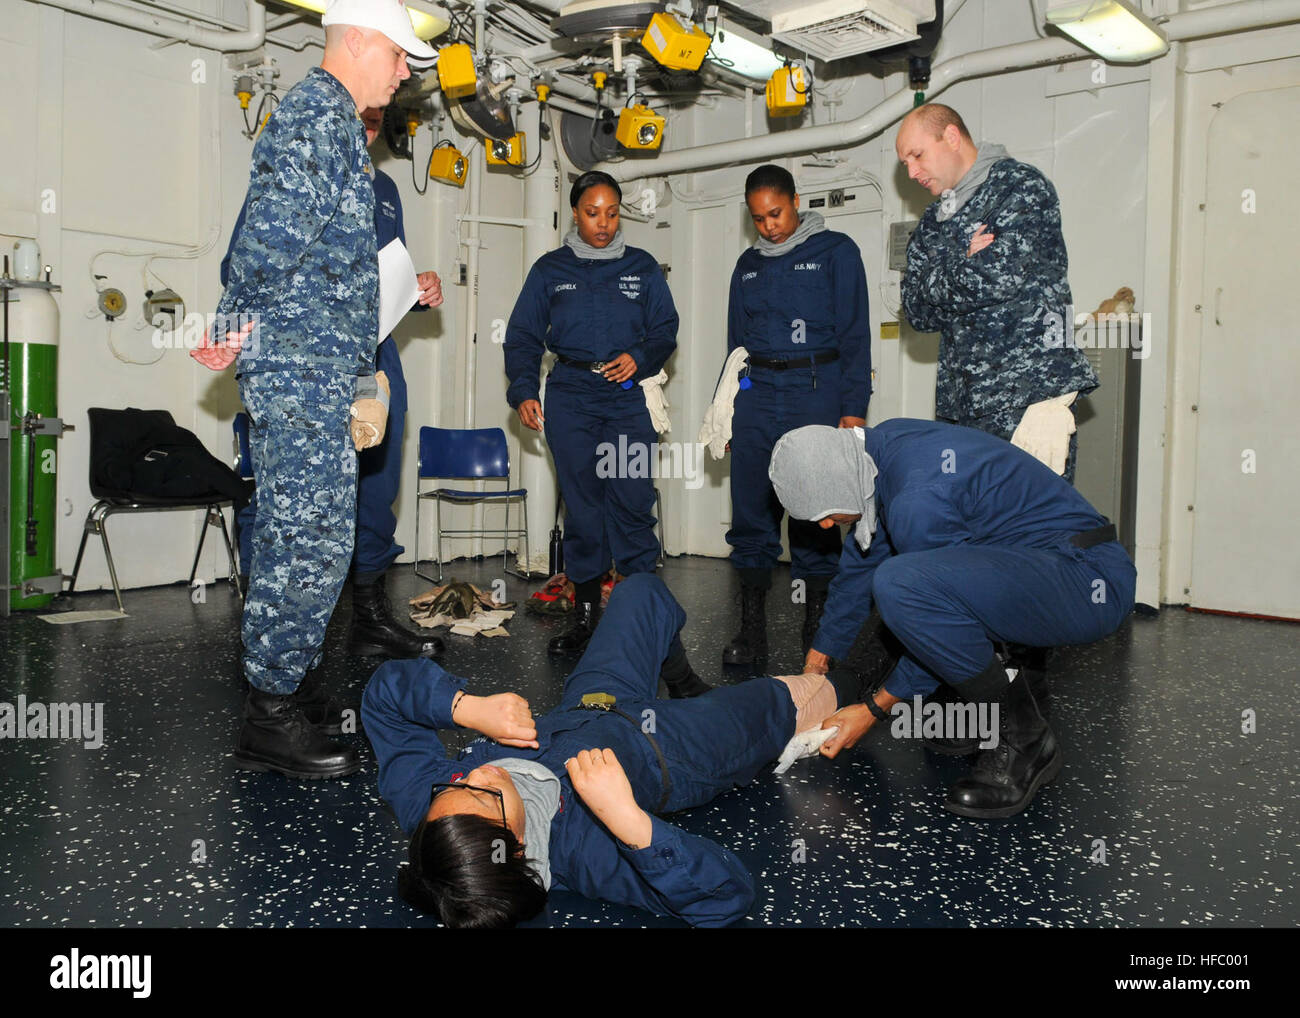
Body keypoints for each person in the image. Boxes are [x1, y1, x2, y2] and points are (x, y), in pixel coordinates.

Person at [191, 0, 436, 779]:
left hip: (324, 369)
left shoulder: (330, 122)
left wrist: (361, 374)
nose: (404, 74)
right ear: (362, 40)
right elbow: (268, 232)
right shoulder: (318, 115)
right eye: (399, 57)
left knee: (320, 539)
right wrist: (235, 319)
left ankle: (287, 693)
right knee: (303, 543)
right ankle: (269, 715)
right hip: (298, 371)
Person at [361, 573, 846, 928]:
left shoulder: (425, 808)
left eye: (460, 782)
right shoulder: (586, 855)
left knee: (642, 591)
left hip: (593, 702)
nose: (477, 774)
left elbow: (383, 698)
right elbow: (726, 896)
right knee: (818, 695)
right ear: (519, 847)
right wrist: (629, 823)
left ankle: (680, 681)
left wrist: (462, 707)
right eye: (488, 798)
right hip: (676, 750)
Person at [773, 419, 1135, 819]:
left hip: (1088, 581)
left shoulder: (918, 497)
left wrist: (875, 709)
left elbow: (931, 605)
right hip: (1051, 568)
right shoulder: (879, 450)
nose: (825, 525)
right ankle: (1015, 686)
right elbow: (862, 561)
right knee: (902, 581)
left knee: (901, 586)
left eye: (824, 512)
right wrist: (818, 660)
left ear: (840, 479)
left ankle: (1024, 738)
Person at [223, 104, 446, 661]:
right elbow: (242, 265)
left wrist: (418, 290)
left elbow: (385, 277)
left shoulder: (388, 188)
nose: (365, 131)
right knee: (289, 495)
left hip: (373, 356)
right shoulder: (300, 165)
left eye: (375, 124)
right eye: (358, 119)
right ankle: (268, 635)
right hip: (305, 358)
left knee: (378, 482)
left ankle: (368, 617)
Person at [504, 170, 688, 666]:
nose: (603, 224)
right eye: (592, 213)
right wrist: (523, 389)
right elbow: (521, 335)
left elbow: (665, 330)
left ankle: (645, 623)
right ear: (575, 213)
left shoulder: (643, 267)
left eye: (611, 213)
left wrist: (641, 357)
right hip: (570, 395)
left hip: (627, 397)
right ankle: (585, 621)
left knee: (631, 502)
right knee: (583, 510)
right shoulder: (550, 270)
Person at [718, 164, 872, 668]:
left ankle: (817, 631)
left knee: (816, 512)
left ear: (796, 201)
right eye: (759, 218)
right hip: (757, 393)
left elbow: (854, 335)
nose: (770, 226)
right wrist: (728, 407)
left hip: (815, 388)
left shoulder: (836, 253)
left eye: (777, 213)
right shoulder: (748, 265)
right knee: (752, 512)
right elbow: (735, 346)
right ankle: (751, 632)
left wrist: (853, 410)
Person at [896, 103, 1098, 483]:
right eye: (904, 163)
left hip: (1028, 395)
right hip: (963, 404)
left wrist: (945, 275)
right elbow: (916, 311)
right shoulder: (933, 219)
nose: (911, 172)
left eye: (917, 155)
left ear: (951, 137)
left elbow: (996, 278)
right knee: (973, 531)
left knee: (1032, 528)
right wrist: (965, 260)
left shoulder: (1019, 188)